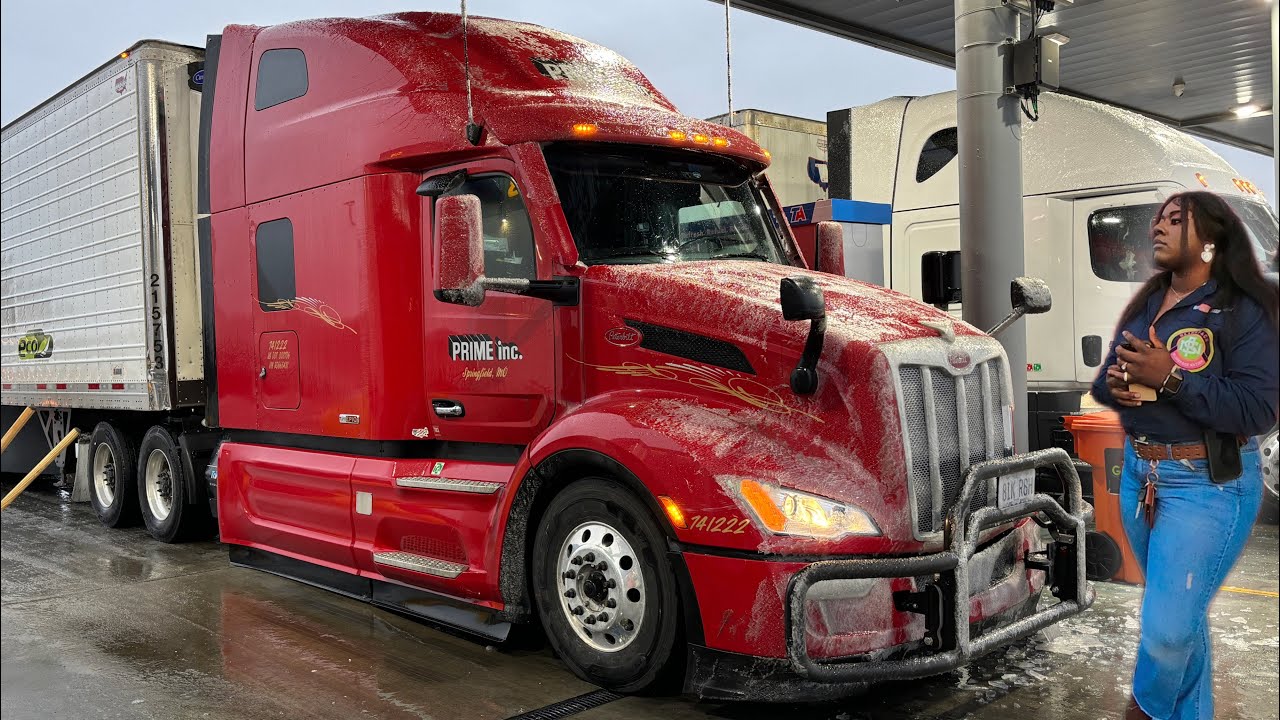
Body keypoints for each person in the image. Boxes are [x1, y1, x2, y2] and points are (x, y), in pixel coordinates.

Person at [1090, 190, 1279, 720]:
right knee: (1181, 618)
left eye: (1177, 220)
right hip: (1140, 477)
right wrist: (1118, 386)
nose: (1158, 227)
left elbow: (1258, 410)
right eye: (1158, 220)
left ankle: (1143, 712)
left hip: (1207, 484)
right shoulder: (1149, 302)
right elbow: (1107, 384)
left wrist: (1171, 379)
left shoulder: (1243, 309)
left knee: (1168, 630)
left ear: (1213, 242)